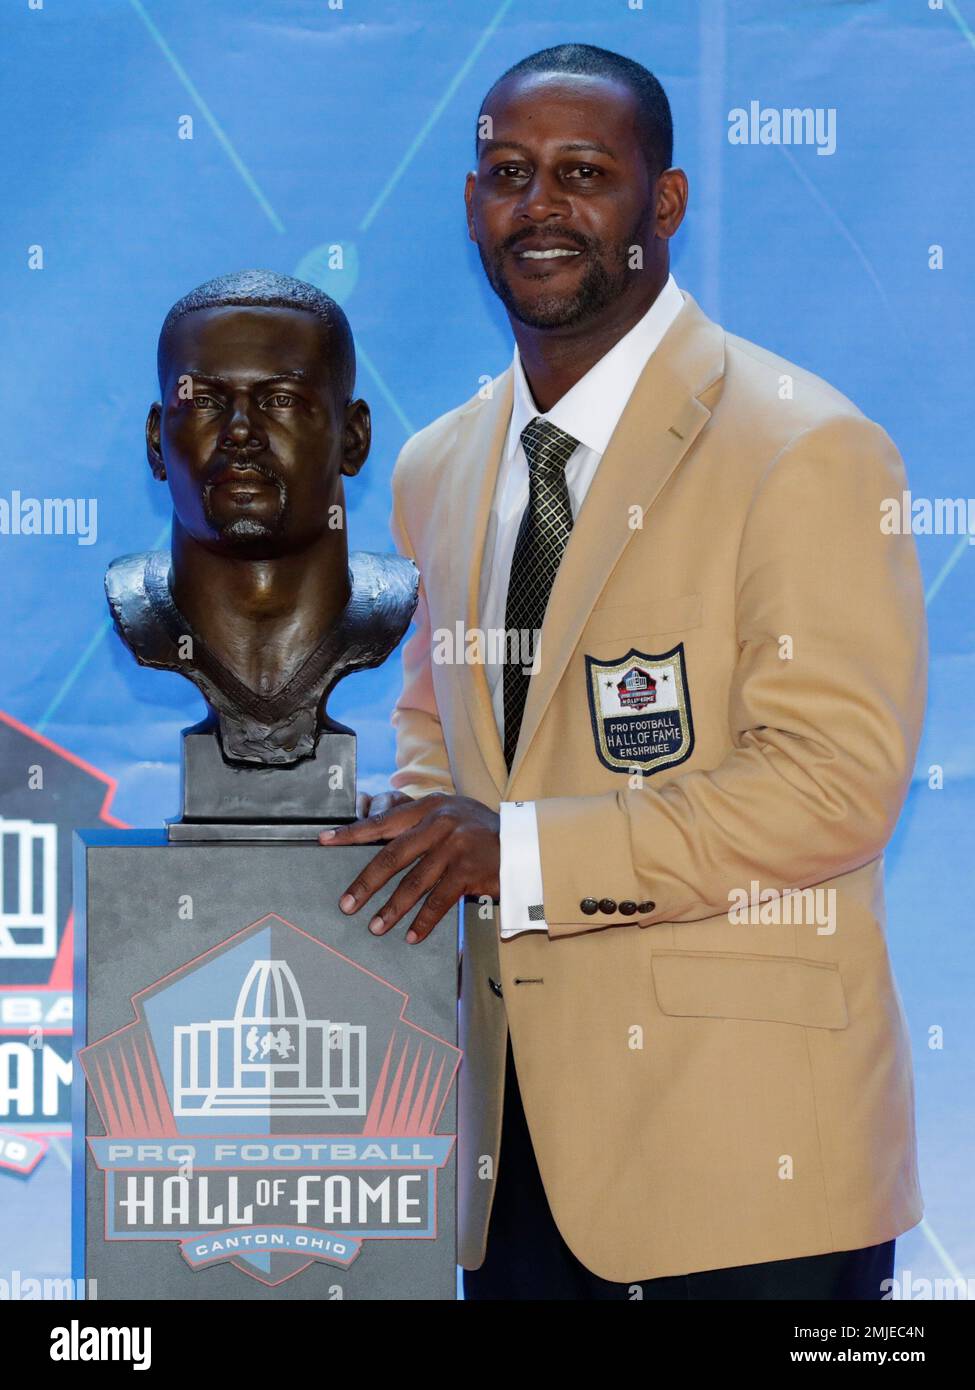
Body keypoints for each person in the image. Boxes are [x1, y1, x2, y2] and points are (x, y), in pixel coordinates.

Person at [318, 44, 927, 1300]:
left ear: (665, 203)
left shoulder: (804, 446)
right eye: (504, 174)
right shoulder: (439, 465)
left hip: (750, 1174)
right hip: (510, 1169)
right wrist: (414, 844)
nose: (537, 205)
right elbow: (440, 728)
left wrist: (521, 851)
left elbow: (835, 786)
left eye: (581, 173)